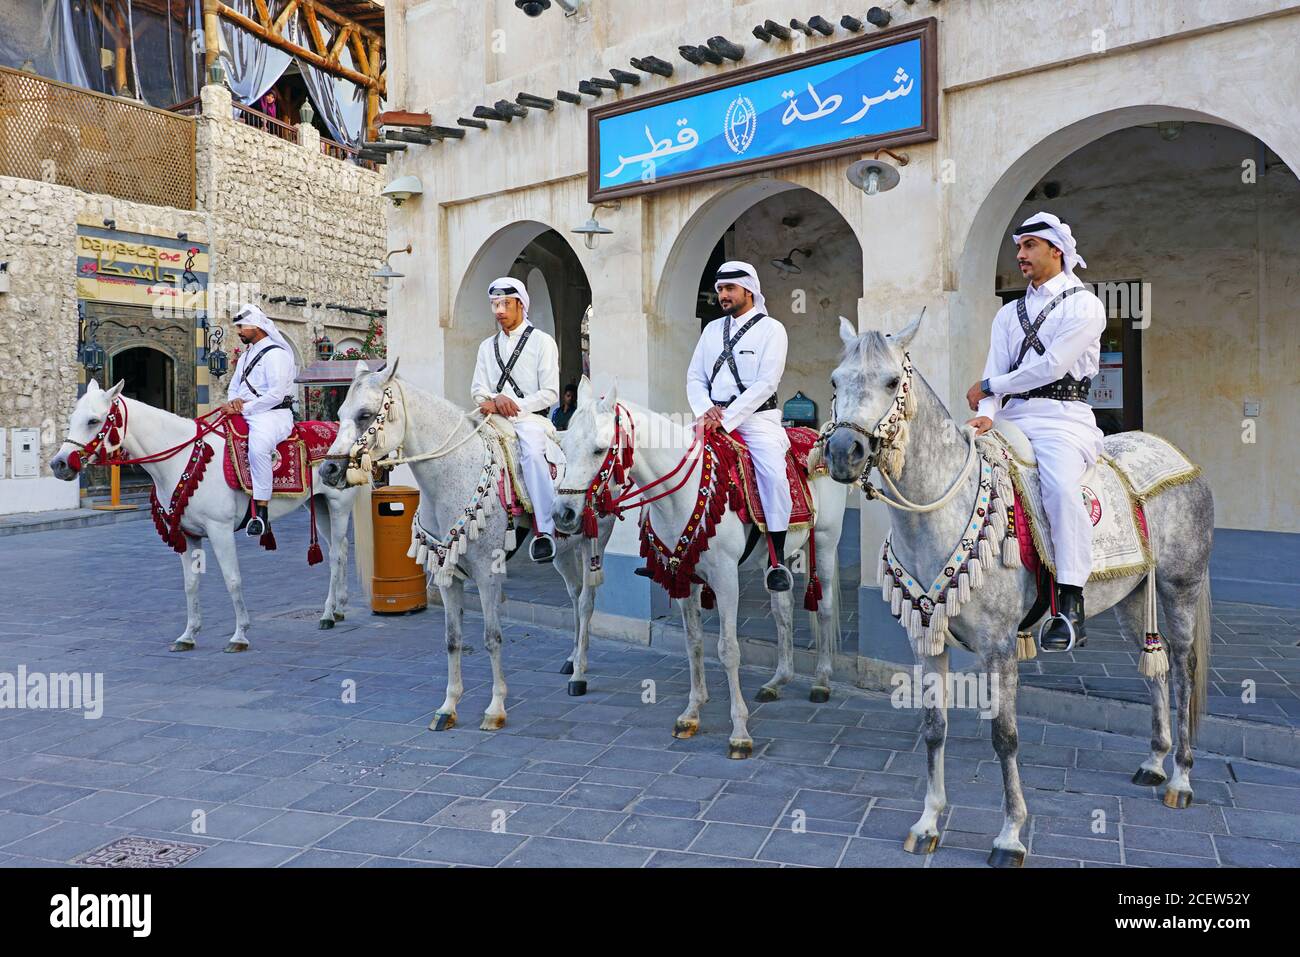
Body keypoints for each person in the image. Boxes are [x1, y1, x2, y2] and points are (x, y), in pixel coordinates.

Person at [965, 212, 1106, 650]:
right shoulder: (1009, 313)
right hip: (1013, 418)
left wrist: (990, 387)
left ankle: (1070, 603)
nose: (1020, 254)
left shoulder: (1085, 304)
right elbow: (995, 367)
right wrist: (987, 411)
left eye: (1029, 246)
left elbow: (1052, 365)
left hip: (1063, 419)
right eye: (1019, 247)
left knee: (1061, 489)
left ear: (1055, 251)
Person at [686, 260, 793, 593]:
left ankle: (776, 558)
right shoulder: (711, 331)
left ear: (749, 289)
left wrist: (727, 419)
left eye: (729, 289)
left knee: (774, 475)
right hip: (710, 420)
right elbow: (694, 377)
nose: (723, 295)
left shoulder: (772, 330)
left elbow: (766, 383)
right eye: (719, 289)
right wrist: (706, 412)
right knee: (671, 463)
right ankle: (670, 554)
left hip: (757, 422)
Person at [471, 278, 561, 563]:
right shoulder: (487, 346)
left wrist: (514, 405)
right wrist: (494, 401)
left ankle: (545, 530)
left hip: (531, 419)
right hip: (492, 417)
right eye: (495, 304)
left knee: (533, 454)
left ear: (521, 304)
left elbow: (550, 393)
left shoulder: (542, 342)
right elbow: (477, 390)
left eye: (505, 304)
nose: (499, 310)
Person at [219, 304, 297, 538]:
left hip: (273, 415)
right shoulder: (245, 356)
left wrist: (245, 409)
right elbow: (235, 386)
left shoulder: (277, 355)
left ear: (257, 326)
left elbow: (276, 395)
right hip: (247, 412)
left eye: (242, 326)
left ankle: (261, 510)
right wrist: (233, 402)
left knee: (258, 448)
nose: (239, 331)